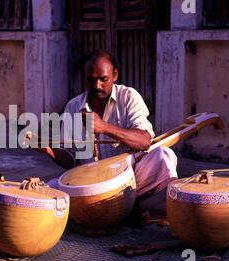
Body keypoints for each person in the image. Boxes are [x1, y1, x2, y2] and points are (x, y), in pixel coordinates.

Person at [35, 50, 178, 218]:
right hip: (89, 183)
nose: (97, 86)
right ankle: (123, 208)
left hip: (126, 178)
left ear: (115, 75)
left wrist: (105, 127)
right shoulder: (73, 107)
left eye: (103, 79)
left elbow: (144, 141)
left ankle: (136, 204)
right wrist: (50, 151)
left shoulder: (129, 97)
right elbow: (71, 159)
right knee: (46, 193)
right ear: (84, 77)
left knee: (163, 155)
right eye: (91, 80)